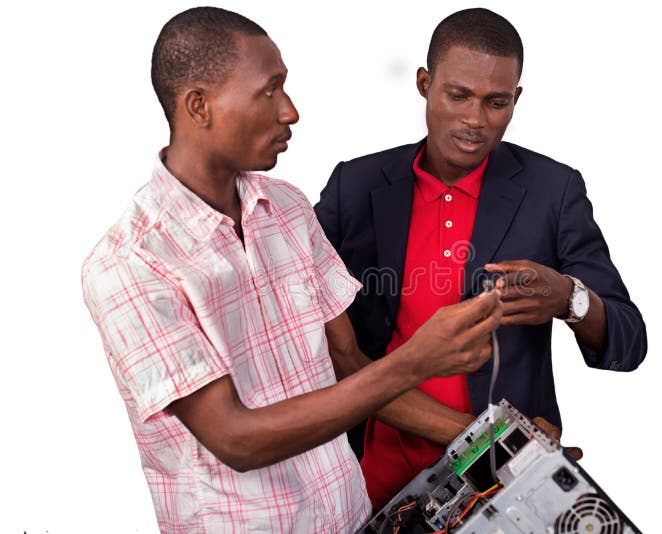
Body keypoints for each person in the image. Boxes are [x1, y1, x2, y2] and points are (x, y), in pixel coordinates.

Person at [81, 7, 502, 533]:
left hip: (352, 520)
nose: (290, 110)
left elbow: (347, 361)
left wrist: (494, 439)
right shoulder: (130, 263)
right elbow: (236, 438)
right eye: (270, 89)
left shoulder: (287, 208)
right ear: (199, 106)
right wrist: (417, 360)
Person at [314, 7, 648, 508]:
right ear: (425, 83)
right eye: (458, 95)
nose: (475, 120)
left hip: (504, 483)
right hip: (368, 476)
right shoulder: (354, 187)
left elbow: (629, 339)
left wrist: (569, 298)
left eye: (496, 102)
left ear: (516, 99)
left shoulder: (553, 191)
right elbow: (302, 333)